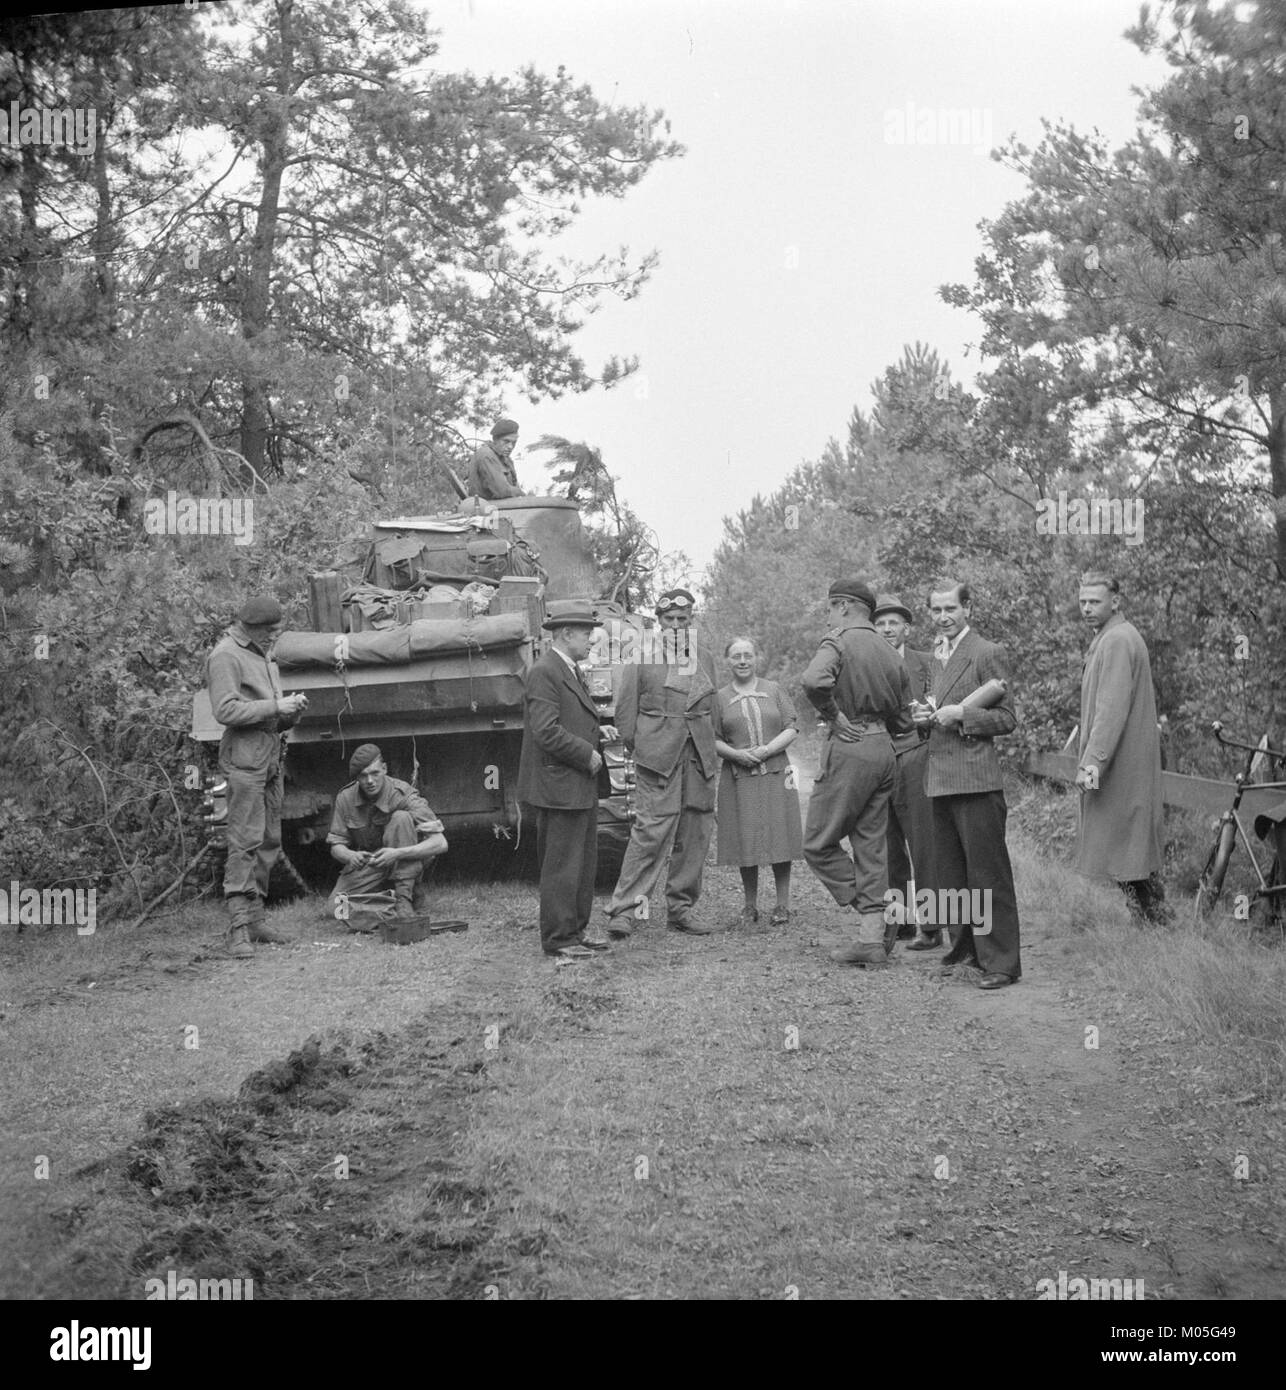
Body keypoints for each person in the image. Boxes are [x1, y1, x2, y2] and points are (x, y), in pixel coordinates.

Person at [801, 579, 915, 968]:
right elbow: (903, 721)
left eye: (831, 608)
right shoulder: (890, 651)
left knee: (817, 843)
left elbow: (814, 681)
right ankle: (870, 939)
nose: (830, 616)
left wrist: (834, 716)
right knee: (871, 845)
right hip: (885, 750)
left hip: (850, 747)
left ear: (845, 606)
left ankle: (875, 917)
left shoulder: (839, 640)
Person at [918, 580, 1022, 989]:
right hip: (939, 780)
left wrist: (963, 715)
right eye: (936, 610)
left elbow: (1008, 719)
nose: (944, 617)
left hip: (977, 782)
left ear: (967, 609)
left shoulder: (987, 652)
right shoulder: (935, 656)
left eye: (951, 609)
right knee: (951, 874)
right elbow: (934, 709)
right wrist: (925, 718)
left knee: (988, 874)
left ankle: (1001, 964)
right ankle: (964, 950)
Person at [604, 587, 720, 938]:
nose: (675, 625)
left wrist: (709, 749)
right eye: (668, 619)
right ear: (658, 621)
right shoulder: (642, 654)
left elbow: (712, 710)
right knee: (651, 833)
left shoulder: (704, 655)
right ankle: (624, 910)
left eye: (682, 619)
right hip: (658, 758)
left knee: (695, 832)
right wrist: (646, 750)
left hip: (697, 755)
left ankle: (681, 909)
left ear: (691, 620)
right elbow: (625, 713)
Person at [206, 596, 307, 958]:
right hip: (245, 760)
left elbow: (267, 713)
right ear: (251, 627)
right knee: (244, 841)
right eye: (270, 631)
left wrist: (289, 714)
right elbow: (225, 709)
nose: (275, 637)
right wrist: (275, 706)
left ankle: (256, 920)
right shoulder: (226, 655)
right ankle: (237, 930)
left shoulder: (259, 652)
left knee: (268, 839)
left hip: (268, 757)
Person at [517, 604, 615, 960]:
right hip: (560, 786)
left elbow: (566, 719)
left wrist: (596, 730)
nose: (592, 639)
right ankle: (559, 938)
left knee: (582, 863)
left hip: (574, 785)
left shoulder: (567, 669)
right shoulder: (545, 671)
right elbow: (545, 730)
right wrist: (586, 753)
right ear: (565, 635)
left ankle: (575, 931)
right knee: (562, 865)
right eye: (587, 633)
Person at [1074, 571, 1166, 920]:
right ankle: (1149, 917)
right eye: (1082, 601)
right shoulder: (1111, 636)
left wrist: (1093, 762)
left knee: (1122, 840)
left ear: (1115, 602)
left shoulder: (1116, 640)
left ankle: (1155, 917)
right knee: (1124, 840)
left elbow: (1110, 709)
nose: (1086, 608)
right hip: (1122, 759)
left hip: (1118, 763)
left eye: (1094, 602)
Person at [713, 636, 803, 929]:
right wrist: (737, 754)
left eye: (747, 655)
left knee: (780, 834)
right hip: (739, 776)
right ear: (727, 660)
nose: (742, 661)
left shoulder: (774, 689)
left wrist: (767, 750)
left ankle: (782, 904)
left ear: (756, 658)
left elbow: (792, 726)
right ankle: (749, 905)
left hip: (776, 770)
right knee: (746, 836)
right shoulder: (719, 697)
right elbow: (712, 738)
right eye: (736, 656)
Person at [873, 593, 941, 949]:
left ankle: (931, 926)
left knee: (923, 843)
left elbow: (941, 706)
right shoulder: (865, 663)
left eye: (894, 623)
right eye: (881, 623)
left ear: (906, 629)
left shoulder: (927, 663)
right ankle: (900, 922)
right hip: (880, 760)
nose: (887, 629)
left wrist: (926, 719)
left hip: (917, 755)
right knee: (887, 846)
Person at [326, 744, 448, 928]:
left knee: (401, 818)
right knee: (335, 909)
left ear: (384, 769)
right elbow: (336, 846)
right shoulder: (345, 798)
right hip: (371, 864)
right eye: (363, 776)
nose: (369, 781)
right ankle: (391, 908)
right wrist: (351, 856)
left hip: (403, 861)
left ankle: (404, 898)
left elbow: (440, 843)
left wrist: (397, 854)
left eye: (375, 773)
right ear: (357, 777)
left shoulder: (402, 793)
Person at [468, 418, 523, 499]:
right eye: (506, 441)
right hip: (486, 508)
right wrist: (520, 493)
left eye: (514, 443)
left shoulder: (506, 460)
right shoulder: (486, 455)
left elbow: (514, 486)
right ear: (495, 439)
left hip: (504, 506)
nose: (510, 447)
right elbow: (502, 491)